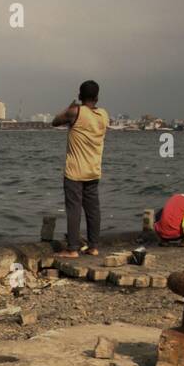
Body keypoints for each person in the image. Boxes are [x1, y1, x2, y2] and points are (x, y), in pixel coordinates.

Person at [51, 79, 110, 257]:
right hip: (93, 170)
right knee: (93, 210)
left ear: (79, 95)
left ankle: (73, 249)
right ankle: (93, 246)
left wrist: (70, 105)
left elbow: (55, 121)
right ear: (97, 97)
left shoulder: (75, 111)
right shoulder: (104, 115)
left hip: (75, 172)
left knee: (74, 210)